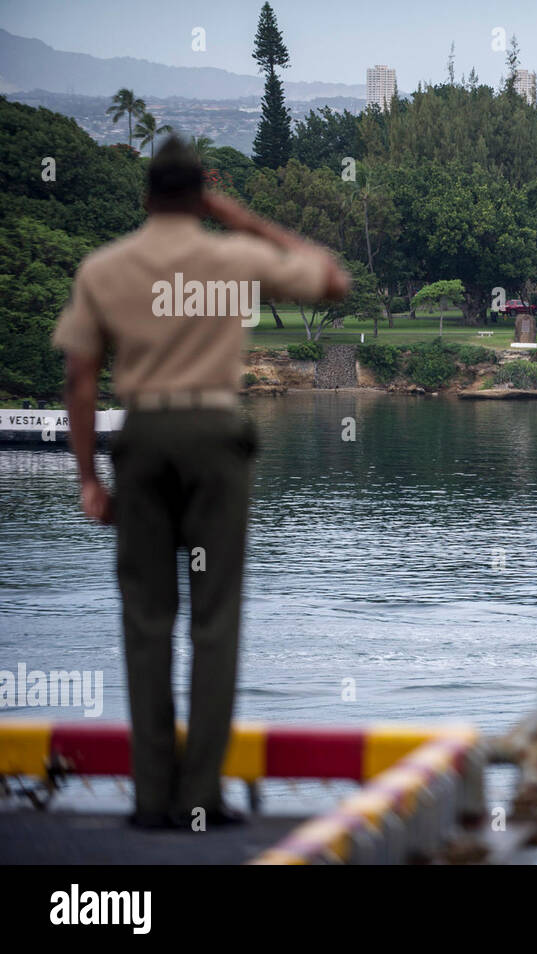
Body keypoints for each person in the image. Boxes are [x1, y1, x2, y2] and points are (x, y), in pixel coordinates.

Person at [54, 137, 349, 829]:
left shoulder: (104, 267)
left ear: (147, 196)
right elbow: (331, 280)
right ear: (202, 194)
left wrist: (89, 479)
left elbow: (80, 378)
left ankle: (152, 798)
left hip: (146, 439)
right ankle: (200, 796)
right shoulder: (232, 258)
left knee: (145, 619)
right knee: (216, 622)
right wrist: (243, 219)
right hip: (215, 439)